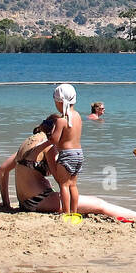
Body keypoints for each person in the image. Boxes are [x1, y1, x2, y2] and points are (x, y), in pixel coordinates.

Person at [0, 132, 136, 221]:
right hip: (40, 200)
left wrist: (7, 204)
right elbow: (61, 181)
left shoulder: (27, 148)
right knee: (99, 204)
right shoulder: (49, 148)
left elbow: (2, 170)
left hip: (25, 203)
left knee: (94, 204)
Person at [36, 83, 84, 217]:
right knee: (73, 185)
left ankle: (66, 212)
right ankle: (75, 213)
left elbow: (54, 140)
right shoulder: (78, 116)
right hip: (79, 154)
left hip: (66, 155)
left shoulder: (61, 120)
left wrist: (45, 137)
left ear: (59, 102)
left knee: (64, 185)